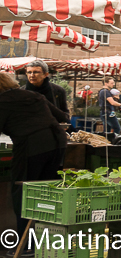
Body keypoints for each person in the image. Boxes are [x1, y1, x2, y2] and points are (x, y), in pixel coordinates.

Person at [0, 71, 69, 242]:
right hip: (57, 144)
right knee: (45, 193)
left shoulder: (2, 102)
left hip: (31, 147)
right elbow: (62, 116)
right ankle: (45, 241)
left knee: (23, 193)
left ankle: (25, 245)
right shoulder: (33, 95)